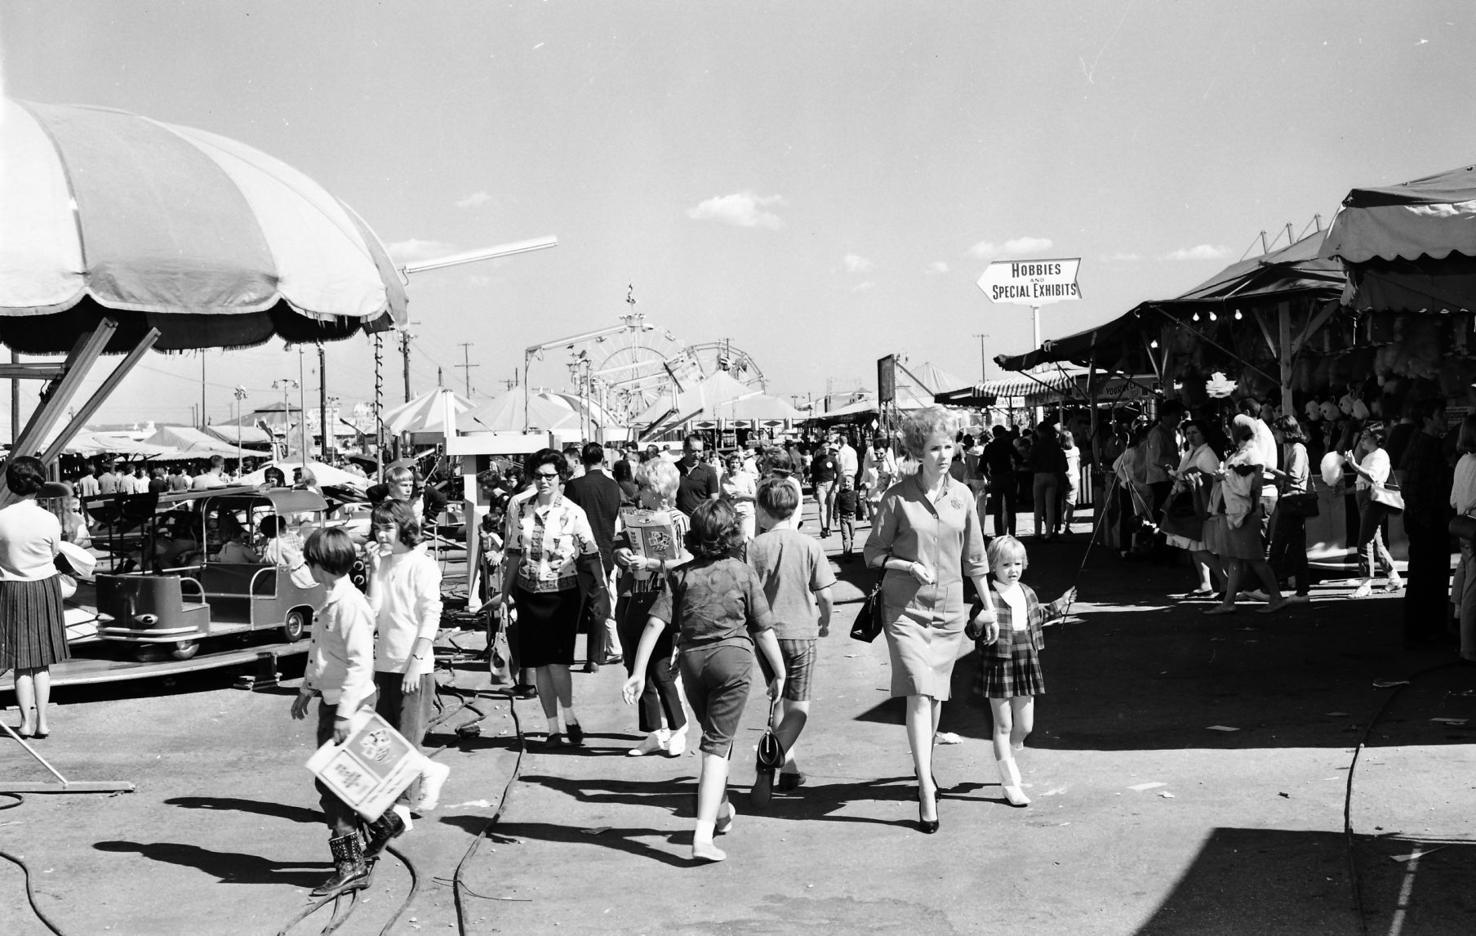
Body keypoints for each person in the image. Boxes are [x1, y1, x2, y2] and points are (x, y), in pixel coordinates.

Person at [622, 499, 786, 863]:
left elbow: (655, 623)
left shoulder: (680, 575)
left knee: (715, 740)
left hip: (693, 665)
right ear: (733, 533)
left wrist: (637, 670)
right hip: (733, 661)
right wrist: (778, 670)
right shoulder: (742, 572)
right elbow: (763, 627)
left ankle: (723, 809)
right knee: (715, 747)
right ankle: (702, 835)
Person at [863, 406, 998, 834]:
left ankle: (926, 768)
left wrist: (988, 605)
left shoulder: (962, 497)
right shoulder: (897, 497)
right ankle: (925, 788)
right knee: (920, 695)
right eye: (934, 448)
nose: (944, 455)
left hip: (950, 612)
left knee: (934, 697)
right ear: (918, 451)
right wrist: (906, 566)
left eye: (948, 446)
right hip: (904, 611)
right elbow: (873, 554)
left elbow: (975, 559)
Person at [290, 527, 396, 897]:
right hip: (334, 699)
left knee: (331, 784)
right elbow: (321, 652)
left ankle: (350, 865)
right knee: (347, 776)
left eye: (309, 562)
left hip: (346, 704)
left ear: (323, 566)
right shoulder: (332, 598)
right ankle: (383, 821)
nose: (307, 568)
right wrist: (307, 689)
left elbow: (358, 663)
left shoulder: (349, 605)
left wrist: (344, 714)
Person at [501, 449, 603, 747]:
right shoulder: (519, 508)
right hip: (528, 593)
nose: (543, 481)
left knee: (558, 662)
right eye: (538, 476)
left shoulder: (573, 512)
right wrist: (505, 595)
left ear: (561, 478)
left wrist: (603, 589)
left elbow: (591, 552)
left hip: (562, 595)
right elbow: (513, 554)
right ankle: (552, 729)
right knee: (539, 664)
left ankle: (569, 717)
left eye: (550, 476)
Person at [966, 535, 1074, 807]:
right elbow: (971, 630)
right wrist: (979, 621)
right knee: (1003, 725)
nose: (1012, 569)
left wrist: (1061, 604)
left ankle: (1009, 755)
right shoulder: (986, 596)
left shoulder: (1027, 592)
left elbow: (1040, 616)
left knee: (1024, 727)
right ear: (993, 566)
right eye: (1005, 565)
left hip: (1026, 661)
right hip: (998, 663)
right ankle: (1009, 784)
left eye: (1017, 563)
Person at [747, 478, 834, 797]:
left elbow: (747, 591)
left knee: (778, 698)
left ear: (763, 513)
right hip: (801, 634)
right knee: (799, 707)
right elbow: (825, 595)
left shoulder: (754, 547)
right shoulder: (810, 545)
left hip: (765, 636)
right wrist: (825, 621)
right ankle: (770, 757)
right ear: (795, 509)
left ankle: (788, 767)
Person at [367, 499, 445, 823]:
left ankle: (402, 809)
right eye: (378, 527)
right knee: (385, 741)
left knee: (408, 739)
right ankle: (424, 777)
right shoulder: (383, 564)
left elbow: (431, 616)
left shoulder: (421, 564)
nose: (381, 534)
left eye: (388, 527)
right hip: (385, 663)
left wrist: (416, 662)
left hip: (414, 665)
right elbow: (371, 612)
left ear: (403, 527)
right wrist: (373, 571)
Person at [613, 459, 692, 757]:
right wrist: (620, 552)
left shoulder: (678, 520)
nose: (638, 490)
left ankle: (678, 728)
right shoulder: (635, 516)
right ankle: (652, 731)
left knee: (661, 669)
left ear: (659, 490)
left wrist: (651, 563)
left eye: (644, 485)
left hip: (665, 598)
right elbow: (618, 543)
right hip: (635, 594)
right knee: (636, 664)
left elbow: (685, 560)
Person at [0, 455, 69, 739]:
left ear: (11, 483)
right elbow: (53, 553)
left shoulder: (1, 517)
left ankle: (25, 723)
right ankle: (43, 722)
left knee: (20, 661)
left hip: (11, 588)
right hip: (44, 587)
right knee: (42, 662)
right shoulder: (49, 519)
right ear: (40, 484)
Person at [1203, 415, 1289, 615]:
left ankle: (1276, 597)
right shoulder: (1243, 453)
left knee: (1254, 559)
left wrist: (1226, 478)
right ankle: (1229, 602)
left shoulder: (1251, 455)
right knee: (1237, 559)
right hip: (1238, 512)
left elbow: (1252, 485)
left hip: (1246, 513)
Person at [563, 442, 626, 669]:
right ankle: (594, 658)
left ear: (583, 459)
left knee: (573, 606)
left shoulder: (574, 486)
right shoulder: (613, 486)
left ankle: (566, 654)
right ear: (603, 459)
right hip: (605, 552)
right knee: (598, 607)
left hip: (579, 553)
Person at [1399, 399, 1453, 648]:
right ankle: (1426, 630)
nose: (1445, 417)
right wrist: (1427, 519)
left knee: (1427, 576)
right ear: (1428, 418)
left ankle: (1426, 628)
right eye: (1440, 413)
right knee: (1428, 576)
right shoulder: (1424, 446)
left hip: (1428, 520)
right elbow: (1413, 489)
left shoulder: (1428, 443)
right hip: (1428, 521)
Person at [1161, 420, 1223, 597]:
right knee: (1194, 545)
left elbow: (1212, 481)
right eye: (1188, 433)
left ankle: (1223, 580)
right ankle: (1205, 583)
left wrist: (1191, 481)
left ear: (1203, 434)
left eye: (1195, 432)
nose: (1190, 436)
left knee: (1197, 546)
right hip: (1188, 503)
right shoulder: (1190, 452)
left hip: (1200, 505)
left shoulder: (1207, 454)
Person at [1344, 421, 1403, 598]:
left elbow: (1372, 477)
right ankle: (1394, 578)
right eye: (1361, 437)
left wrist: (1353, 465)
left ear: (1377, 439)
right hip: (1365, 499)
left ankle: (1366, 583)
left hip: (1373, 500)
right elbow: (1362, 482)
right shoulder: (1369, 455)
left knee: (1364, 541)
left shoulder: (1380, 454)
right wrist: (1345, 491)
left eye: (1365, 437)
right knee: (1376, 543)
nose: (1361, 440)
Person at [1265, 415, 1314, 604]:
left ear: (1285, 431)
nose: (1275, 434)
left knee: (1279, 545)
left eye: (1277, 431)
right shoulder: (1295, 449)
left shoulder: (1297, 450)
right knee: (1295, 548)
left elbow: (1294, 478)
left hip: (1293, 502)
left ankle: (1268, 588)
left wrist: (1272, 470)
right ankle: (1302, 591)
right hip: (1294, 502)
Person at [1449, 415, 1476, 661]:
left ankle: (1456, 614)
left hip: (1463, 528)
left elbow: (1454, 501)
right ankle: (1469, 648)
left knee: (1465, 575)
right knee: (1473, 589)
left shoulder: (1461, 462)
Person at [1027, 423, 1065, 541]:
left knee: (1038, 506)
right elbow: (1061, 463)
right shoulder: (1055, 445)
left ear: (1041, 432)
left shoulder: (1036, 446)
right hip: (1052, 475)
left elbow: (1031, 462)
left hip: (1039, 475)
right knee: (1050, 507)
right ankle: (1049, 533)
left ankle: (1037, 533)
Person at [675, 434, 721, 517]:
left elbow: (714, 498)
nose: (697, 454)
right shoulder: (673, 469)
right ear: (684, 449)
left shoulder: (709, 471)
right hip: (679, 522)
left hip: (701, 521)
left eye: (699, 451)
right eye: (693, 451)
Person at [721, 451, 758, 543]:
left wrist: (741, 495)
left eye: (737, 462)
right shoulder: (724, 477)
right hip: (731, 514)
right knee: (733, 541)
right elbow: (721, 497)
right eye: (732, 462)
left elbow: (756, 496)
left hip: (745, 514)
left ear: (740, 464)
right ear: (728, 464)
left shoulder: (747, 477)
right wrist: (726, 497)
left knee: (746, 540)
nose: (734, 465)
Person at [860, 436, 897, 523]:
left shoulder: (890, 462)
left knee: (887, 522)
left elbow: (895, 474)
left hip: (887, 495)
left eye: (881, 453)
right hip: (873, 495)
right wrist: (864, 485)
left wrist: (892, 473)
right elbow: (865, 473)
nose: (878, 456)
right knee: (875, 523)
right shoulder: (870, 454)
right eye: (876, 454)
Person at [809, 439, 839, 538]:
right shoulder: (816, 461)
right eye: (823, 448)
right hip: (820, 485)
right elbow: (813, 476)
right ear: (820, 449)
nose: (825, 450)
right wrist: (813, 489)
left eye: (827, 448)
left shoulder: (833, 459)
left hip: (831, 484)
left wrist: (837, 484)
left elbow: (839, 473)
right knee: (822, 506)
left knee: (830, 506)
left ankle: (828, 527)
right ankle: (824, 528)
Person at [1057, 429, 1081, 536]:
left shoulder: (1059, 451)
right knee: (1071, 503)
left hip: (1062, 478)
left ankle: (1057, 525)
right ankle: (1067, 526)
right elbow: (1078, 464)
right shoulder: (1076, 450)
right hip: (1074, 478)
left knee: (1060, 502)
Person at [834, 475, 859, 560]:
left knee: (851, 535)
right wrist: (835, 518)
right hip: (843, 518)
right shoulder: (839, 495)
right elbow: (836, 507)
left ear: (852, 483)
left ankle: (849, 550)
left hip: (852, 517)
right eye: (844, 481)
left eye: (848, 482)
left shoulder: (855, 493)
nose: (846, 483)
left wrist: (864, 513)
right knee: (846, 537)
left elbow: (859, 505)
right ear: (841, 483)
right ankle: (847, 555)